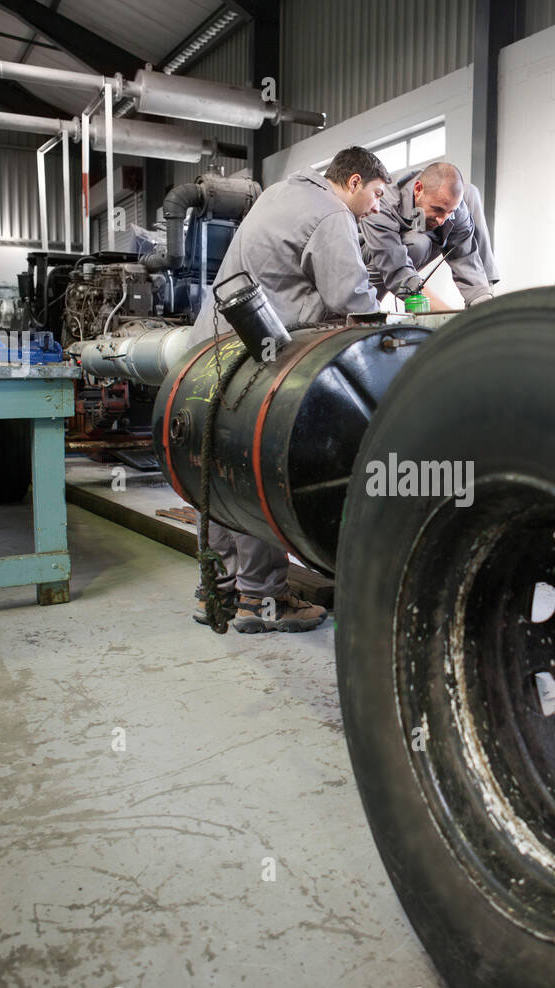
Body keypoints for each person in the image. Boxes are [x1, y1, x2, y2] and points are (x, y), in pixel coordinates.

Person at [191, 146, 389, 634]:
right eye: (378, 195)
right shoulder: (331, 213)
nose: (379, 208)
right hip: (254, 355)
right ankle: (261, 601)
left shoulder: (281, 192)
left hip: (205, 354)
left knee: (217, 471)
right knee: (254, 469)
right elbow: (351, 298)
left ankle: (216, 589)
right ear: (355, 181)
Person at [359, 161, 498, 311]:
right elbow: (396, 268)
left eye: (449, 212)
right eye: (437, 209)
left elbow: (464, 256)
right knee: (418, 244)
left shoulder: (455, 207)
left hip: (410, 247)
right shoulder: (382, 202)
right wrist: (450, 318)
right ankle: (363, 307)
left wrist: (484, 305)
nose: (442, 219)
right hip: (370, 254)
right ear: (418, 189)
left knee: (471, 192)